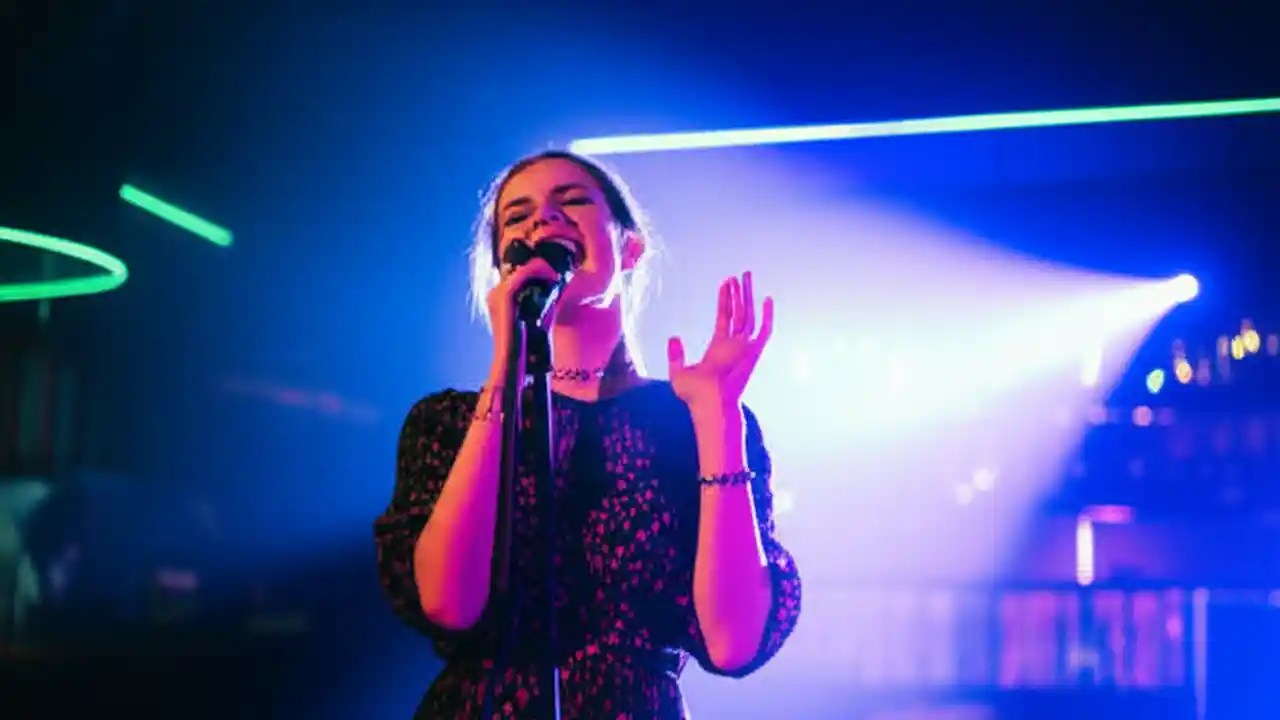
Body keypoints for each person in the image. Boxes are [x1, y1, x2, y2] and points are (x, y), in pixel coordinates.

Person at [373, 150, 801, 718]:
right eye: (517, 216)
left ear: (631, 247)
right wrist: (506, 367)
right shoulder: (449, 423)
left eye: (572, 201)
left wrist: (719, 416)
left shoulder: (691, 419)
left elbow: (733, 642)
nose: (542, 219)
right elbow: (449, 602)